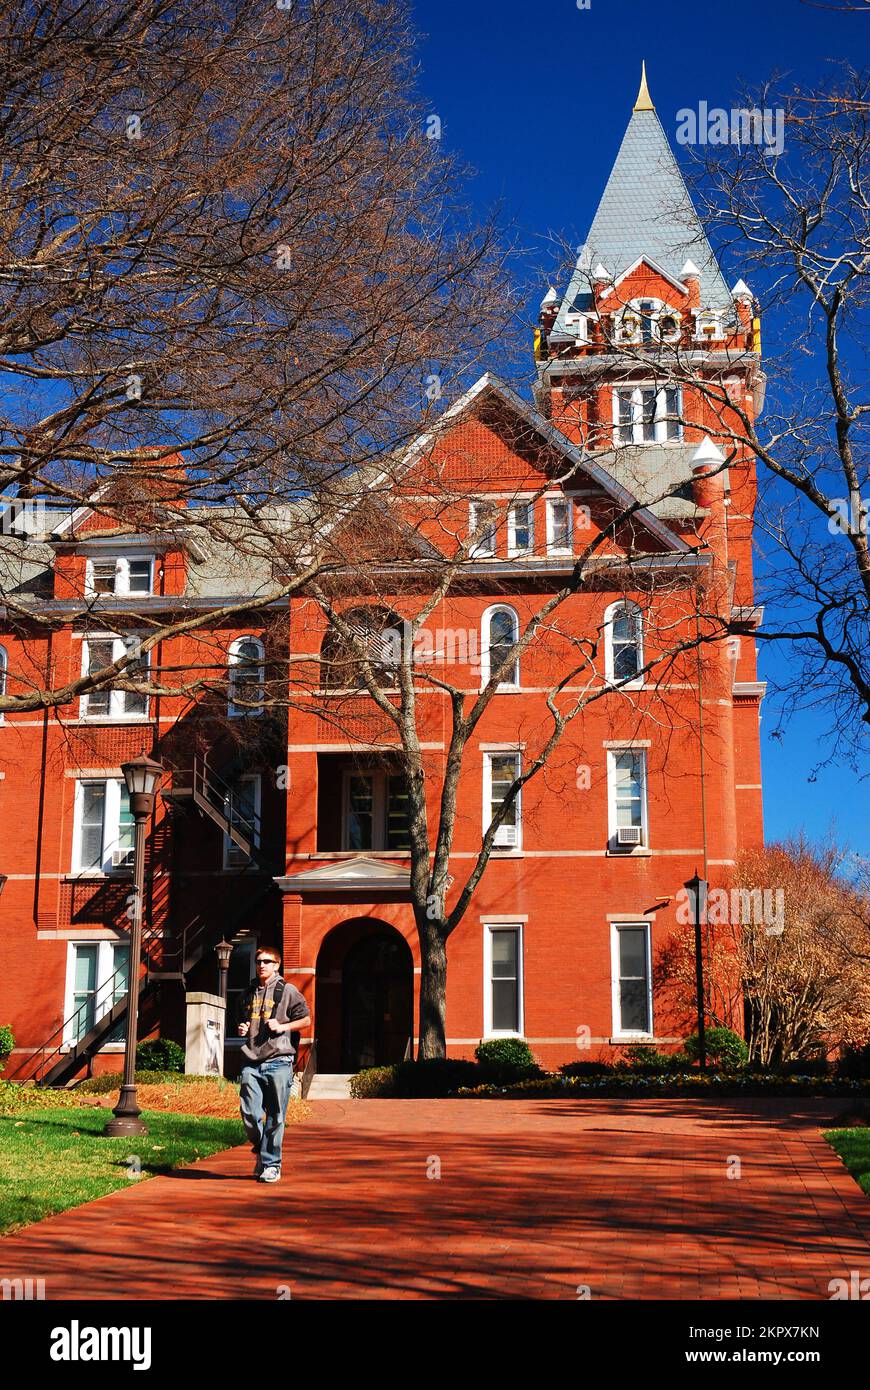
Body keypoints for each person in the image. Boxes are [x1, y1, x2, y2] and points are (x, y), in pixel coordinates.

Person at [237, 948, 310, 1183]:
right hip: (252, 1060)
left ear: (277, 965)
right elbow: (245, 1020)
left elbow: (306, 1019)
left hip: (279, 1060)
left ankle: (271, 1165)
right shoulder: (249, 992)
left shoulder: (287, 990)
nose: (262, 965)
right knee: (249, 1113)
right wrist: (244, 1028)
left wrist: (283, 1026)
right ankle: (262, 1147)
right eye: (259, 961)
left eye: (267, 961)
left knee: (276, 1116)